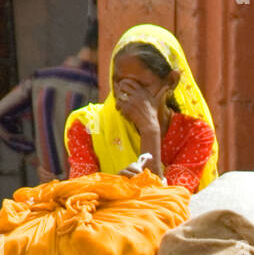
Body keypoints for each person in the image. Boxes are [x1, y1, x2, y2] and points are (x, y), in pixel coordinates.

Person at [64, 24, 217, 193]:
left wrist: (149, 130)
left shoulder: (194, 134)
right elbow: (80, 197)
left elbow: (169, 203)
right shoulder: (88, 126)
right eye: (119, 83)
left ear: (171, 81)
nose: (126, 95)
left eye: (141, 86)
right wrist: (115, 190)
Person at [0, 20, 99, 182]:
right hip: (84, 189)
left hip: (48, 187)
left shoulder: (40, 79)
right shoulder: (97, 87)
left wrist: (35, 156)